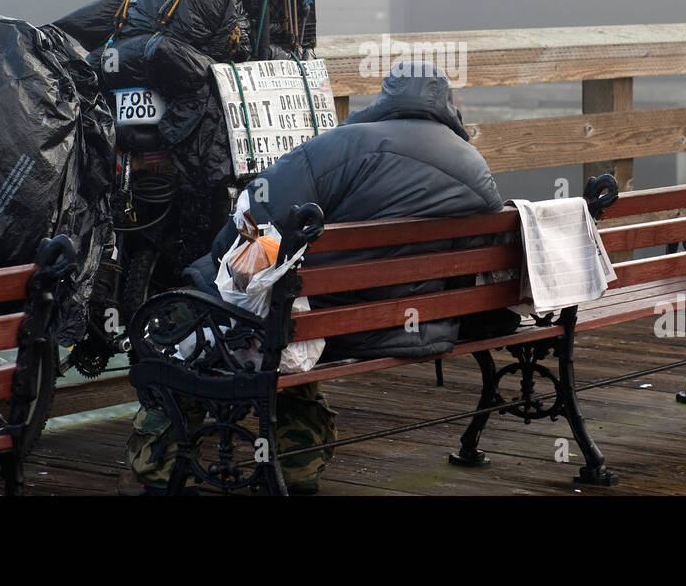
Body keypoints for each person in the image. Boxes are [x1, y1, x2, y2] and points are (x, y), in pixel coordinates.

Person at [125, 60, 505, 494]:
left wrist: (207, 269)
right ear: (446, 105)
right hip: (418, 328)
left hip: (327, 326)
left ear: (387, 97)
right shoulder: (474, 164)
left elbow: (254, 209)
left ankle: (155, 466)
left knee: (190, 317)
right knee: (290, 317)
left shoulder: (346, 145)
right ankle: (298, 464)